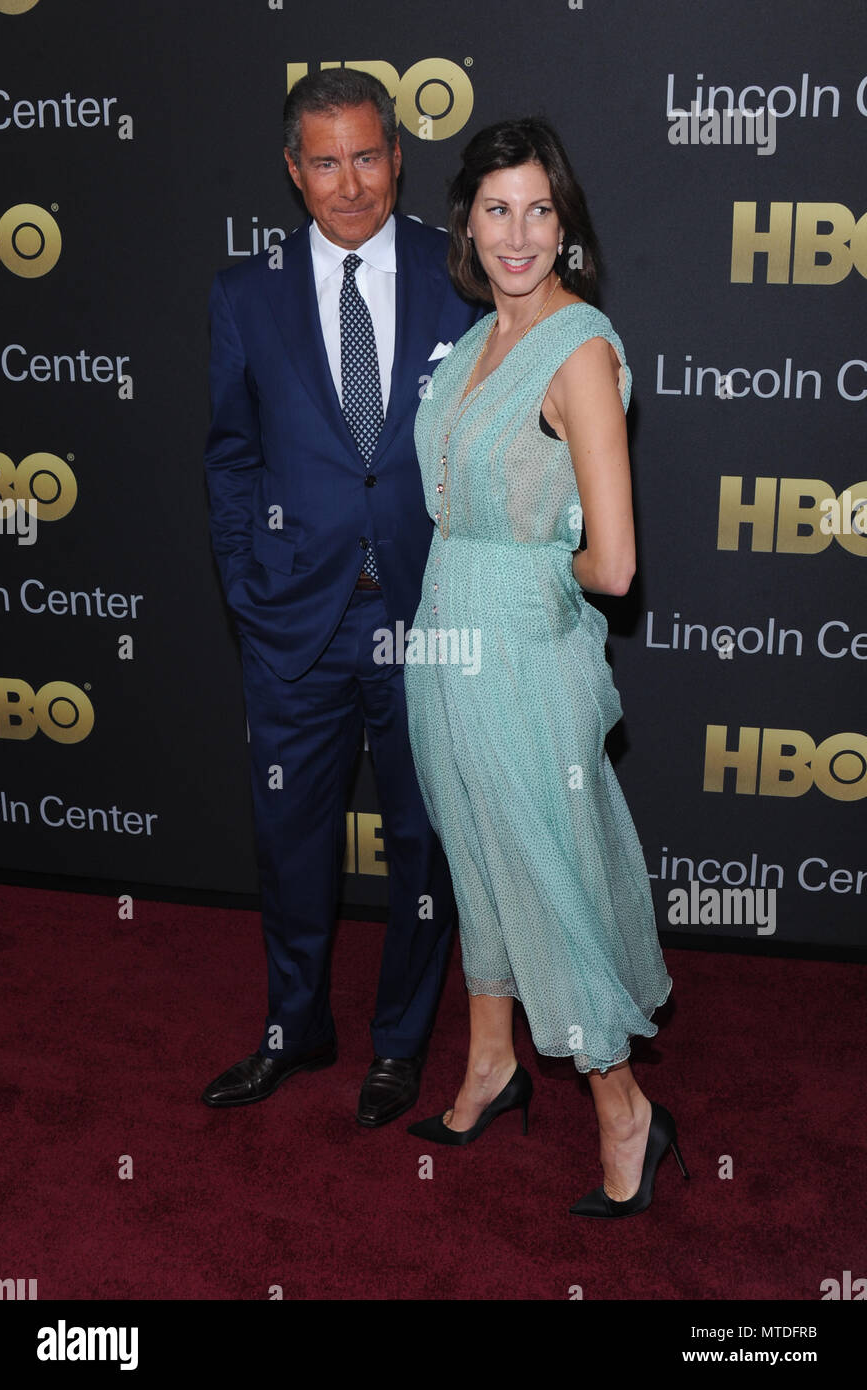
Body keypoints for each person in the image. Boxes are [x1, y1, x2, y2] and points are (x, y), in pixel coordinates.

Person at [403, 117, 688, 1217]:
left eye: (538, 210)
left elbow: (613, 563)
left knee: (544, 880)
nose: (517, 235)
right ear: (467, 223)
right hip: (446, 643)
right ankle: (490, 1062)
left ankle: (625, 1111)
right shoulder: (480, 335)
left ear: (565, 225)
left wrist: (521, 580)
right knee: (477, 861)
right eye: (496, 210)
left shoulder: (577, 349)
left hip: (523, 654)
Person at [200, 69, 482, 1126]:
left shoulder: (460, 271)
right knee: (292, 843)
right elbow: (231, 457)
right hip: (296, 620)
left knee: (423, 842)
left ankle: (399, 1044)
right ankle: (295, 1029)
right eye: (326, 162)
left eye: (367, 155)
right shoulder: (246, 293)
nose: (350, 183)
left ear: (397, 156)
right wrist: (248, 587)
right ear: (294, 170)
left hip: (427, 614)